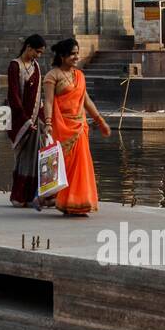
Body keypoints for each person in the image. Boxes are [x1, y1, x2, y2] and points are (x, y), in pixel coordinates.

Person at [41, 38, 109, 216]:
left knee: (81, 167)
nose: (76, 57)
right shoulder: (52, 76)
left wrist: (100, 120)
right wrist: (48, 123)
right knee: (64, 167)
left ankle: (79, 203)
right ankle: (61, 201)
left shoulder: (79, 75)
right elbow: (47, 102)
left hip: (79, 127)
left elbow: (86, 101)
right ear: (63, 56)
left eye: (77, 53)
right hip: (61, 126)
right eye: (72, 54)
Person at [6, 34, 47, 209]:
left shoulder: (36, 67)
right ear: (28, 47)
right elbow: (13, 96)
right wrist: (24, 121)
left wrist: (45, 120)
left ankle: (31, 196)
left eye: (41, 53)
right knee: (23, 159)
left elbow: (39, 96)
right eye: (37, 51)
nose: (38, 55)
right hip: (19, 120)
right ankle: (18, 196)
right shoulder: (15, 66)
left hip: (35, 121)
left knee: (35, 159)